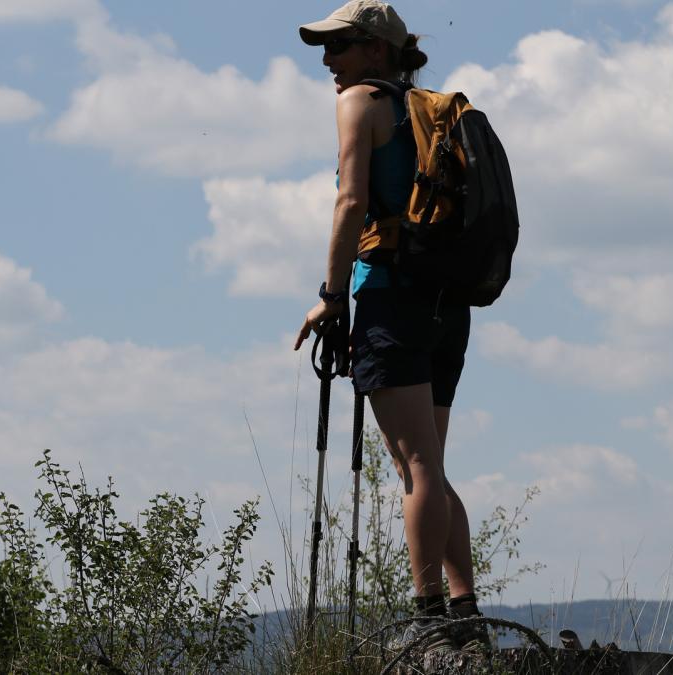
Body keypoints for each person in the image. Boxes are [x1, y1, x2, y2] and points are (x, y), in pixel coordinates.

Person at [291, 0, 489, 657]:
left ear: (375, 49)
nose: (328, 63)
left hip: (392, 299)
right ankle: (465, 611)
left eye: (338, 47)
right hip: (446, 305)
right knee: (431, 463)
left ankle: (427, 611)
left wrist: (331, 296)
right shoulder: (430, 109)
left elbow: (351, 200)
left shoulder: (362, 104)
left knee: (415, 468)